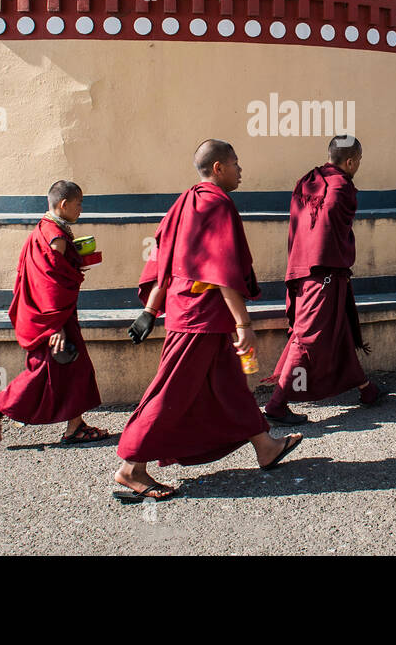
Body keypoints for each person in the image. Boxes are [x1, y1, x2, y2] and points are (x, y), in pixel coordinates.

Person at [113, 139, 302, 502]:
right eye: (235, 163)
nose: (240, 170)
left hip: (193, 310)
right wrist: (243, 325)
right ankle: (131, 468)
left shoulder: (184, 203)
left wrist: (151, 308)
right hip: (199, 316)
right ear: (218, 168)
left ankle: (265, 446)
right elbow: (220, 271)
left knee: (230, 383)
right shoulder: (216, 204)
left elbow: (163, 259)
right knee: (171, 390)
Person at [263, 136, 385, 426]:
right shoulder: (343, 187)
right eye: (359, 162)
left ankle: (367, 390)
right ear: (352, 161)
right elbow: (336, 231)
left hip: (303, 270)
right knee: (307, 338)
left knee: (339, 328)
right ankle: (276, 404)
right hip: (325, 274)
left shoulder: (307, 180)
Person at [0, 181, 107, 445]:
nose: (81, 208)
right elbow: (50, 282)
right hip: (54, 315)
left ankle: (75, 426)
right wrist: (55, 325)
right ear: (64, 204)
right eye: (78, 203)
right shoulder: (55, 236)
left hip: (54, 312)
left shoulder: (47, 229)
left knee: (74, 367)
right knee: (44, 370)